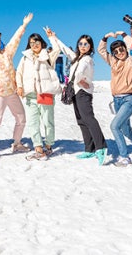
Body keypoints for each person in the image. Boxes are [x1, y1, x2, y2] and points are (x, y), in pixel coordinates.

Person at [0, 13, 33, 160]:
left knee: (21, 118)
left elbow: (16, 39)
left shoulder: (7, 54)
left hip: (12, 93)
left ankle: (17, 143)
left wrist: (24, 25)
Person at [52, 33, 108, 165]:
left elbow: (80, 72)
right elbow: (65, 49)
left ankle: (101, 147)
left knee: (89, 119)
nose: (83, 46)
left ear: (90, 47)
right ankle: (89, 149)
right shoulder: (77, 58)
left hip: (83, 92)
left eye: (86, 44)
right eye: (81, 44)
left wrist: (79, 80)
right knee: (81, 120)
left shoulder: (87, 59)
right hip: (76, 92)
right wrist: (53, 37)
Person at [98, 30, 132, 166]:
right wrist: (106, 37)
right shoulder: (113, 62)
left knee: (114, 126)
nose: (119, 53)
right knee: (126, 131)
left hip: (130, 99)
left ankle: (124, 157)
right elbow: (101, 51)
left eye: (121, 49)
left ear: (125, 49)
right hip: (117, 100)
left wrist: (124, 35)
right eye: (116, 51)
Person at [15, 30, 62, 160]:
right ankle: (38, 148)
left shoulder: (47, 56)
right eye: (31, 43)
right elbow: (19, 73)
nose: (34, 45)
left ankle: (49, 145)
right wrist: (20, 86)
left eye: (37, 42)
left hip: (45, 94)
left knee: (48, 121)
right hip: (30, 95)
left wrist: (51, 37)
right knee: (32, 122)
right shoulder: (25, 58)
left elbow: (57, 49)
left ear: (41, 43)